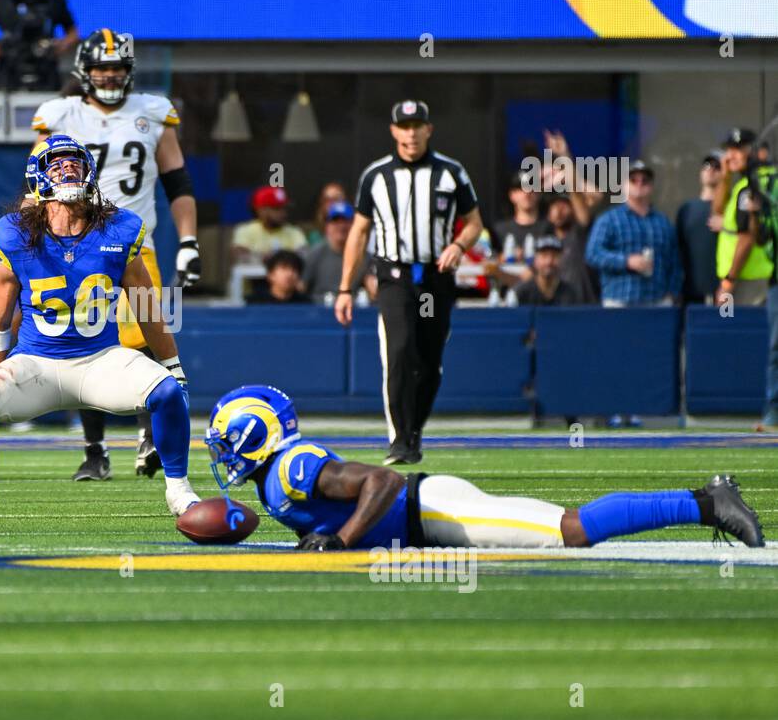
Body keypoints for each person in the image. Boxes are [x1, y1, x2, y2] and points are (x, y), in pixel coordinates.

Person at [0, 134, 201, 521]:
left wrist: (173, 367)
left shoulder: (119, 230)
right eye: (57, 164)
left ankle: (179, 490)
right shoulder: (13, 234)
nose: (67, 168)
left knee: (166, 393)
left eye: (75, 162)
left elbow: (147, 308)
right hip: (36, 363)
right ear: (38, 179)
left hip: (101, 360)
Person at [204, 385, 765, 550]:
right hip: (422, 527)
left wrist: (344, 540)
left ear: (256, 436)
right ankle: (705, 501)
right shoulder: (274, 481)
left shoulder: (292, 467)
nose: (223, 453)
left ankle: (707, 502)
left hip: (435, 510)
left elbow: (385, 478)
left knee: (572, 530)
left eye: (227, 441)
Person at [31, 29, 200, 481]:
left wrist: (188, 242)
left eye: (117, 67)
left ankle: (150, 438)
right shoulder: (61, 114)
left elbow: (178, 185)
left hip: (134, 243)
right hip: (75, 244)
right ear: (84, 72)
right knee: (86, 340)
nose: (109, 75)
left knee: (149, 333)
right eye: (102, 67)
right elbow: (34, 185)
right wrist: (31, 235)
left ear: (130, 71)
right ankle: (94, 450)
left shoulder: (152, 112)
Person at [335, 99, 483, 466]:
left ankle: (414, 431)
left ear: (429, 129)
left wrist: (459, 245)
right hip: (394, 276)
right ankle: (399, 440)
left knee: (429, 360)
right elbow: (359, 232)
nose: (411, 132)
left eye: (418, 125)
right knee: (399, 351)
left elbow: (476, 222)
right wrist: (345, 288)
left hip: (436, 276)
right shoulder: (376, 175)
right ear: (394, 131)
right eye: (405, 126)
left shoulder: (451, 172)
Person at [725, 157, 778, 430]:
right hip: (776, 279)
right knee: (775, 348)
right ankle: (773, 415)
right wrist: (755, 213)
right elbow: (760, 238)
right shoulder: (767, 187)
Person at [585, 160, 681, 307]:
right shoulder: (609, 219)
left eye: (645, 181)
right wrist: (626, 261)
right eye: (633, 180)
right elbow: (593, 254)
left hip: (657, 302)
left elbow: (675, 262)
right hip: (619, 301)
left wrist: (672, 294)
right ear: (624, 185)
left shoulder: (663, 223)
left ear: (651, 186)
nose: (639, 184)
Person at [716, 146, 773, 308]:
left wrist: (728, 282)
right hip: (749, 277)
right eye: (728, 150)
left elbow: (746, 238)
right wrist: (725, 176)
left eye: (738, 149)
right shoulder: (748, 183)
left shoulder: (750, 186)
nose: (730, 156)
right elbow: (718, 209)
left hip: (746, 279)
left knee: (734, 328)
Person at [677, 153, 722, 306]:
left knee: (726, 327)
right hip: (691, 292)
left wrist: (730, 226)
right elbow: (678, 250)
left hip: (726, 291)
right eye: (706, 166)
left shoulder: (731, 209)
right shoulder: (687, 209)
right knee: (694, 329)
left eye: (717, 167)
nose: (711, 170)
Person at [232, 185, 308, 262]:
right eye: (277, 208)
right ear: (261, 210)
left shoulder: (294, 232)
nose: (283, 213)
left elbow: (303, 254)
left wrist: (276, 258)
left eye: (284, 208)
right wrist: (263, 258)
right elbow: (240, 255)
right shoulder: (245, 231)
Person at [302, 200, 358, 301]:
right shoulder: (314, 254)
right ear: (327, 226)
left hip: (354, 310)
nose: (341, 226)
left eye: (346, 221)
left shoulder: (362, 255)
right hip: (318, 310)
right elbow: (301, 288)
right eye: (335, 221)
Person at [494, 171, 550, 265]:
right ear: (512, 195)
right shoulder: (498, 230)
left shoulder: (549, 228)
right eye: (521, 188)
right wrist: (501, 258)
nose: (527, 193)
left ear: (539, 193)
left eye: (532, 188)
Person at [511, 235, 582, 306]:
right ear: (535, 260)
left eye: (555, 256)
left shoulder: (571, 293)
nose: (549, 261)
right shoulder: (522, 292)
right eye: (544, 256)